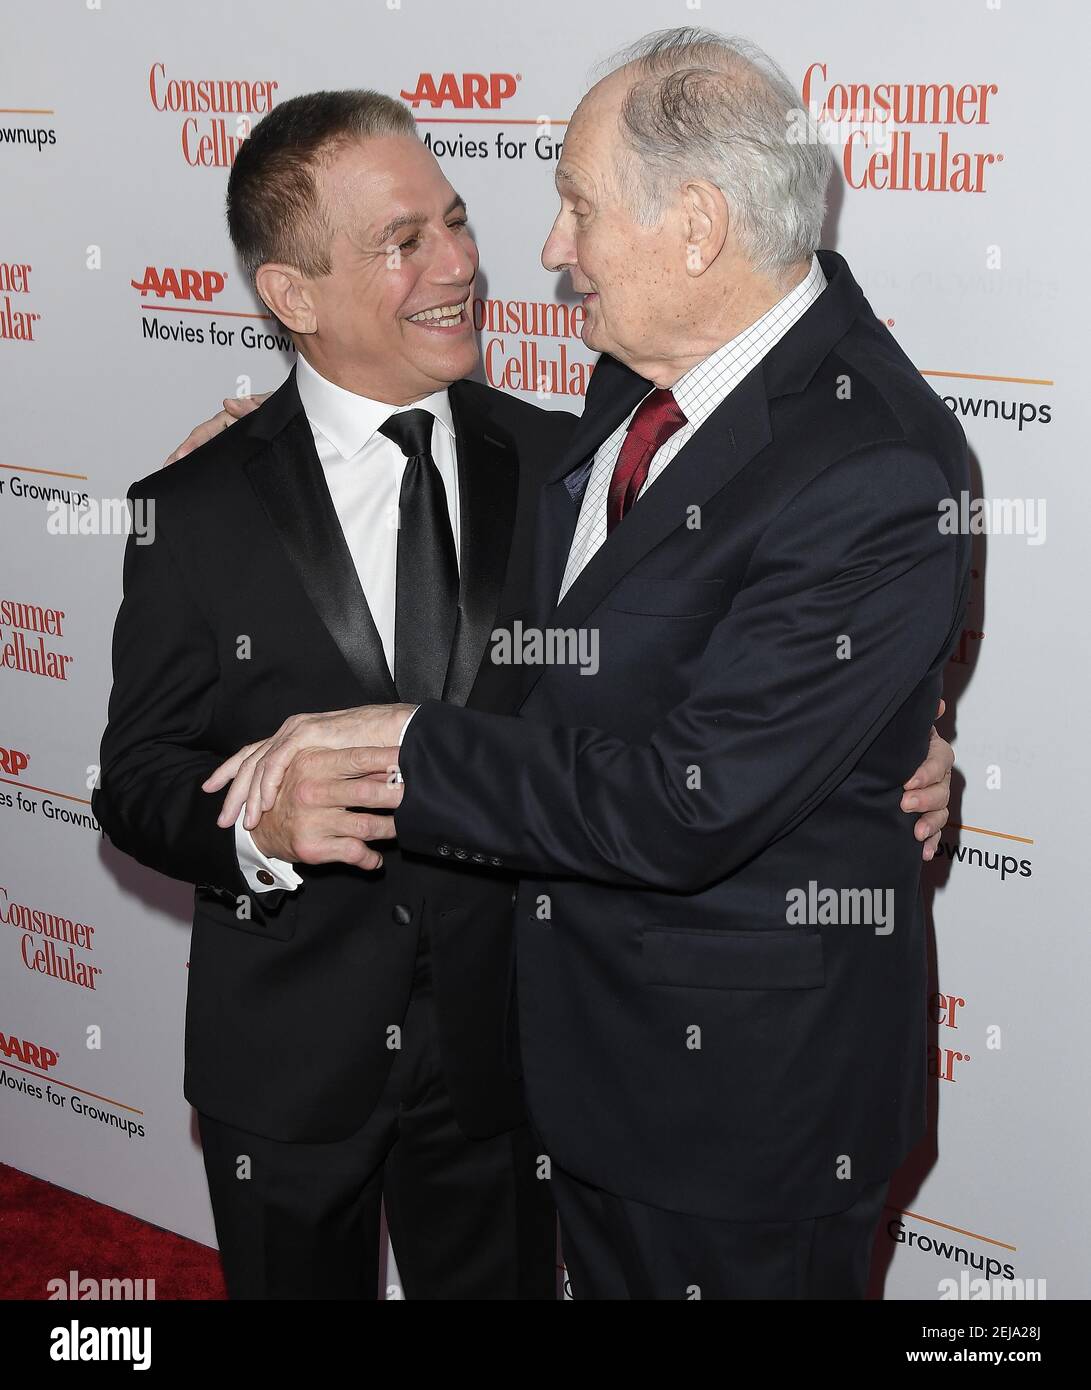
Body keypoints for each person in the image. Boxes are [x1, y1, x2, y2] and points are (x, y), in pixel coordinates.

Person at [203, 29, 969, 1300]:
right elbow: (587, 570)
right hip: (597, 1067)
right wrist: (283, 454)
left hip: (744, 1119)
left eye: (574, 205)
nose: (548, 249)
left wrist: (399, 743)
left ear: (695, 226)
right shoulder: (654, 376)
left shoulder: (871, 464)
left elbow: (688, 800)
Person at [94, 89, 573, 1300]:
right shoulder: (193, 510)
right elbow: (136, 779)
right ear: (291, 296)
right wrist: (250, 827)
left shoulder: (562, 465)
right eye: (401, 241)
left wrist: (902, 739)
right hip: (286, 1060)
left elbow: (694, 651)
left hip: (503, 1050)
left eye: (456, 221)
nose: (459, 263)